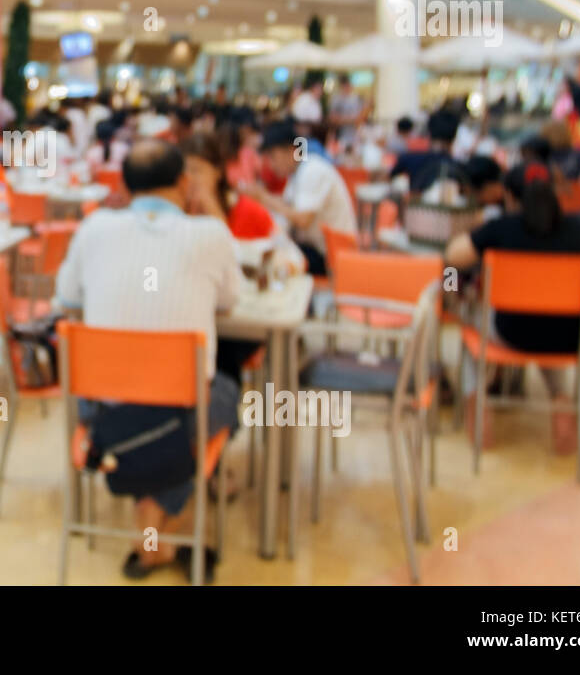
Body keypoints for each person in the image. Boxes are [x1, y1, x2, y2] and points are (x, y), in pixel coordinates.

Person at [56, 139, 242, 581]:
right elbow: (231, 301)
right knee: (225, 395)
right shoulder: (210, 234)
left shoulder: (95, 227)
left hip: (101, 414)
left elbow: (66, 298)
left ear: (122, 185)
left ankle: (150, 529)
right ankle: (155, 533)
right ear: (184, 182)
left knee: (159, 412)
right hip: (181, 412)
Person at [445, 162, 580, 454]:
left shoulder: (500, 229)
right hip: (574, 337)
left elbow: (453, 257)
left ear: (508, 196)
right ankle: (561, 399)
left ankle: (475, 404)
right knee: (548, 319)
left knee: (470, 322)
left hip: (514, 332)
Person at [180, 129, 304, 383]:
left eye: (196, 170)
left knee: (222, 355)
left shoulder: (246, 210)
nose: (189, 180)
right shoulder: (176, 214)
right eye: (183, 172)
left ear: (218, 171)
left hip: (238, 324)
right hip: (190, 322)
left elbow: (294, 258)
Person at [248, 120, 356, 275]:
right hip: (318, 249)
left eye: (273, 157)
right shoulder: (298, 173)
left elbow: (303, 220)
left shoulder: (312, 170)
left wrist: (264, 198)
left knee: (271, 262)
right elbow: (288, 205)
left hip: (329, 256)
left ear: (291, 150)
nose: (271, 165)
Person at [390, 109, 466, 195]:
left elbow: (391, 177)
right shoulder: (460, 168)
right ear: (454, 137)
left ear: (429, 133)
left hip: (416, 207)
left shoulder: (409, 159)